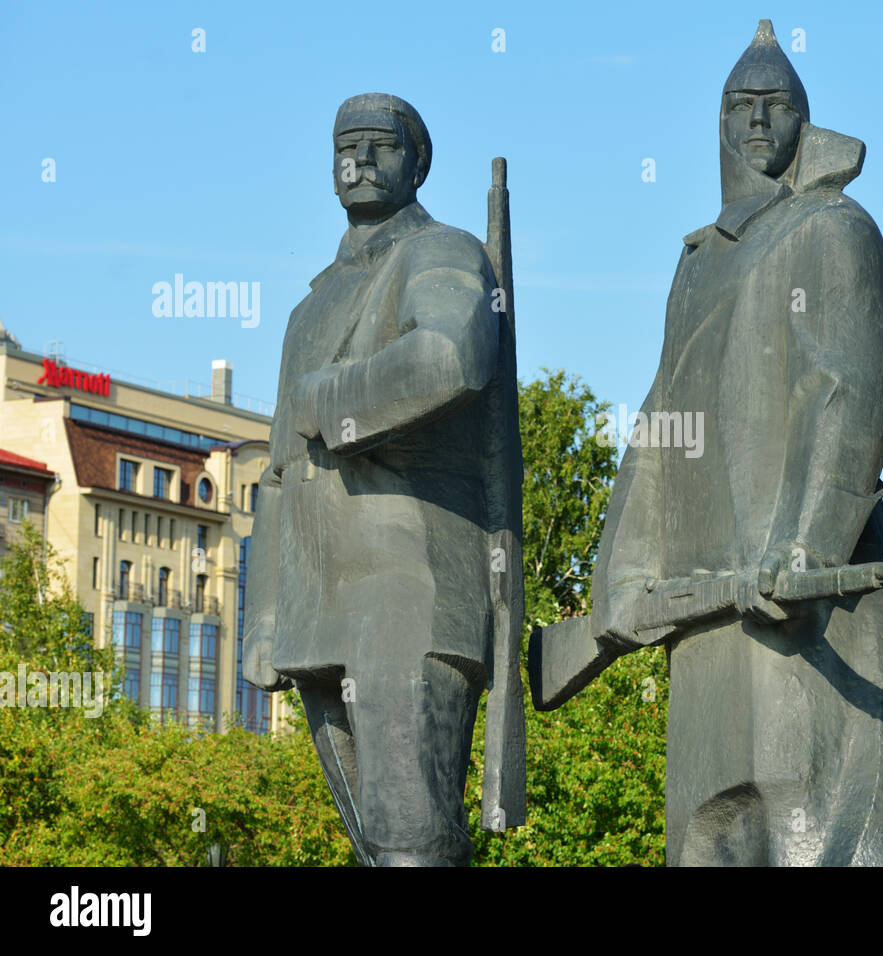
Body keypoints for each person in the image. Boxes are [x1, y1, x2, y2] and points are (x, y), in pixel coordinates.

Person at [591, 21, 883, 866]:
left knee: (811, 824)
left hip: (798, 604)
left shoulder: (833, 228)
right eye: (740, 105)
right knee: (707, 834)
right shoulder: (696, 262)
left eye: (775, 105)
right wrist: (621, 571)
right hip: (704, 610)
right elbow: (660, 419)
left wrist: (807, 549)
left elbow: (848, 394)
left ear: (802, 120)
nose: (757, 121)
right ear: (718, 121)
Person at [242, 92, 524, 867]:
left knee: (412, 842)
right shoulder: (310, 306)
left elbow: (450, 357)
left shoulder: (441, 252)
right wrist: (264, 620)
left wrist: (328, 401)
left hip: (410, 590)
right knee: (376, 845)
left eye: (381, 146)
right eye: (346, 145)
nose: (360, 160)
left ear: (417, 161)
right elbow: (277, 469)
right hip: (319, 602)